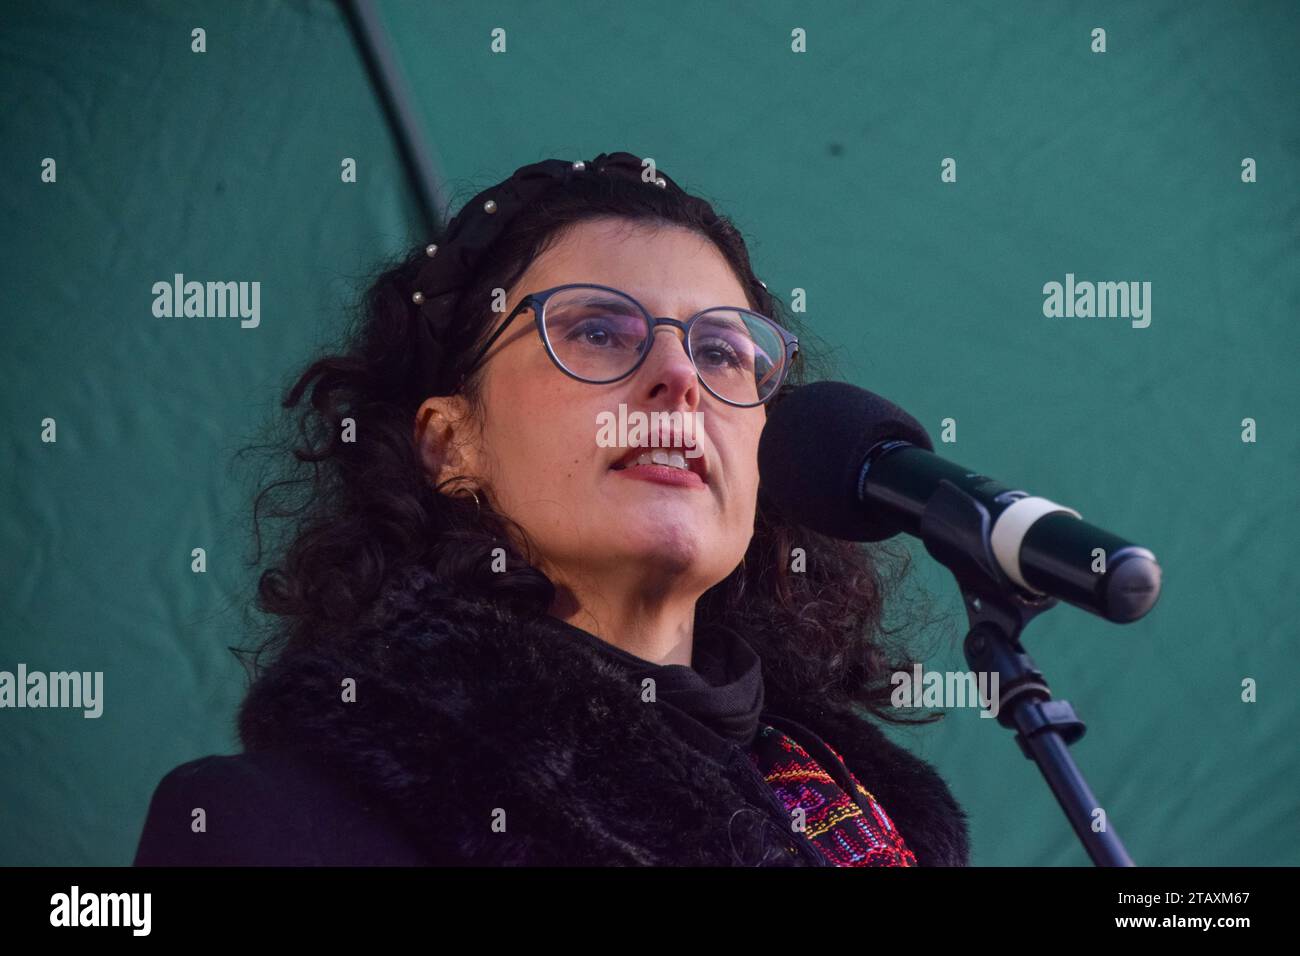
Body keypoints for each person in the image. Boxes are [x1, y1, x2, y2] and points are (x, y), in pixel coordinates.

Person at [133, 151, 970, 867]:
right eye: (600, 331)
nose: (680, 378)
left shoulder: (871, 821)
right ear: (450, 442)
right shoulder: (276, 829)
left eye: (723, 350)